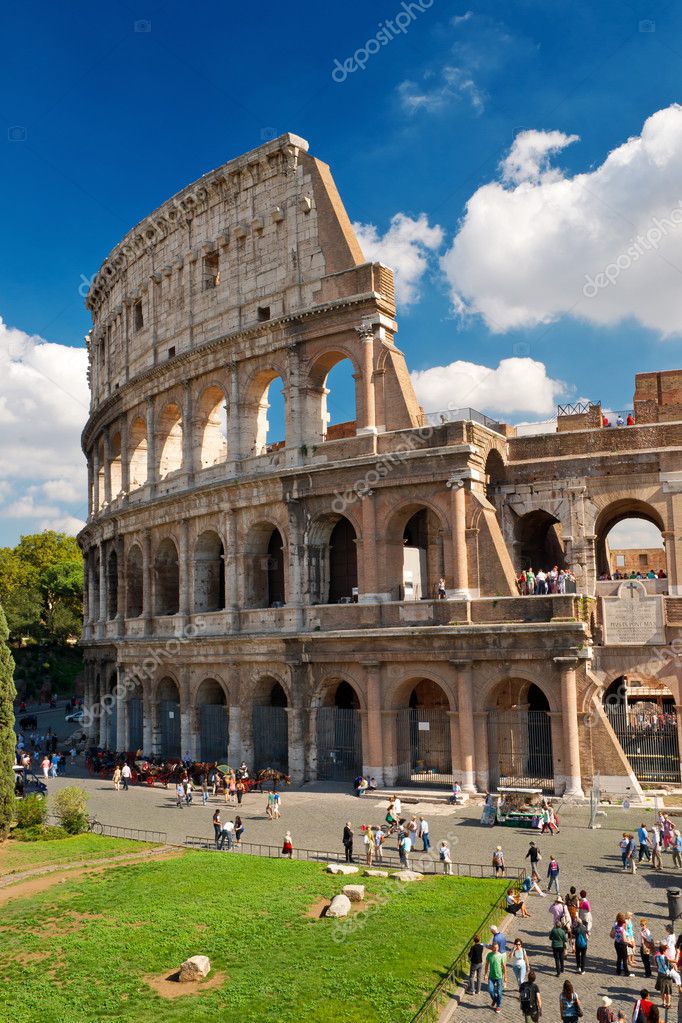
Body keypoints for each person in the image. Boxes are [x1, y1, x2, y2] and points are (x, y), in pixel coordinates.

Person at [484, 940, 506, 1012]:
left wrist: (505, 976)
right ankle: (494, 999)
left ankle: (498, 1006)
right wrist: (485, 974)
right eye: (494, 947)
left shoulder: (500, 955)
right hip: (491, 976)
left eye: (497, 947)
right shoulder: (489, 955)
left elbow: (504, 966)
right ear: (492, 948)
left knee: (499, 992)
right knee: (490, 990)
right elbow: (487, 965)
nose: (496, 949)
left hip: (499, 976)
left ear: (498, 948)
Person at [611, 912, 632, 976]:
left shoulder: (616, 926)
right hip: (622, 945)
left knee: (619, 958)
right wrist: (630, 943)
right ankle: (627, 973)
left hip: (616, 943)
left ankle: (618, 971)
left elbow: (612, 935)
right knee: (624, 959)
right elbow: (624, 940)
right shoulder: (622, 930)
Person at [655, 943, 675, 1009]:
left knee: (662, 990)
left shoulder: (656, 957)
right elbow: (673, 963)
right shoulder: (665, 958)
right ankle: (668, 1004)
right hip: (666, 975)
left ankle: (663, 1003)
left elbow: (657, 966)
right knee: (668, 991)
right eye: (666, 950)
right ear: (664, 951)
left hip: (660, 974)